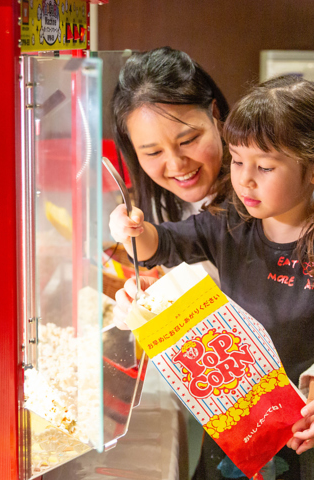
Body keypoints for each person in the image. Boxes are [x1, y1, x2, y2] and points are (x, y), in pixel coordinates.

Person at [110, 74, 314, 479]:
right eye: (237, 160)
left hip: (302, 433)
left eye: (265, 166)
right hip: (233, 423)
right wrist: (132, 229)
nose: (244, 179)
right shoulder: (230, 222)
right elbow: (164, 242)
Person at [109, 47, 230, 322]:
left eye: (187, 141)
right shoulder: (156, 199)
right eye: (153, 153)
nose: (176, 165)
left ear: (215, 114)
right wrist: (152, 304)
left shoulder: (258, 195)